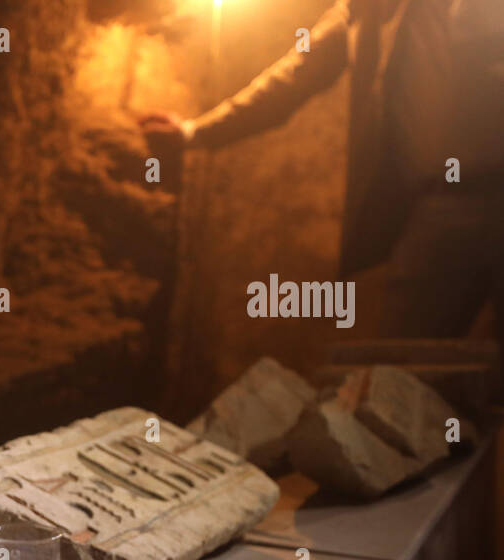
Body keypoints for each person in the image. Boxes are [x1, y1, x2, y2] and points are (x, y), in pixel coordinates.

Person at [139, 0, 504, 347]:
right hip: (440, 213)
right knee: (403, 375)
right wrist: (196, 133)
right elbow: (296, 73)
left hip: (464, 200)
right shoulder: (370, 9)